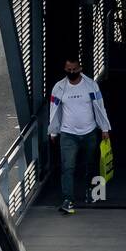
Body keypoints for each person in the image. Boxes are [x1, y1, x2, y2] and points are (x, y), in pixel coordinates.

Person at [48, 56, 112, 214]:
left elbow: (100, 107)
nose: (71, 72)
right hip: (68, 134)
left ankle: (91, 191)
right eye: (68, 70)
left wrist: (104, 129)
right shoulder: (59, 88)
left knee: (90, 164)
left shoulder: (91, 85)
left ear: (80, 68)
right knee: (67, 167)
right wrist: (53, 131)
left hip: (89, 133)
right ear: (65, 69)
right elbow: (53, 111)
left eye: (74, 69)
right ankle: (68, 199)